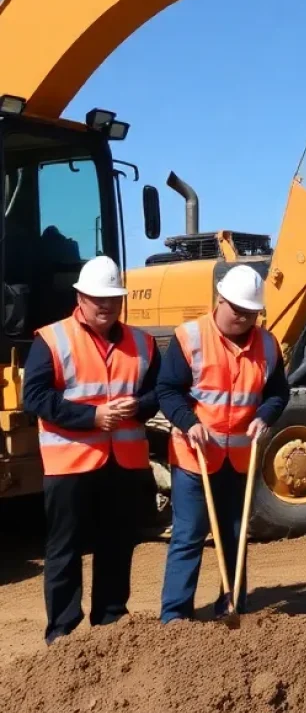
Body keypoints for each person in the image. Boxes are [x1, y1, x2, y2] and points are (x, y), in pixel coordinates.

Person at [22, 256, 159, 645]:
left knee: (117, 544)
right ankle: (63, 634)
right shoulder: (51, 339)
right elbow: (35, 397)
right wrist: (92, 417)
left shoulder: (143, 342)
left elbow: (155, 394)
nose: (106, 306)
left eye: (113, 299)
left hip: (124, 462)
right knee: (65, 549)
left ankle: (111, 623)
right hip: (71, 461)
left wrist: (140, 406)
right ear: (80, 297)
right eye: (98, 298)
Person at [158, 265, 289, 622]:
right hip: (195, 456)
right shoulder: (190, 337)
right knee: (188, 534)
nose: (244, 319)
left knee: (234, 535)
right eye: (237, 311)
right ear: (220, 299)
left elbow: (278, 392)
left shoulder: (267, 344)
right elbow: (167, 390)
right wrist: (188, 422)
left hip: (239, 460)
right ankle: (174, 617)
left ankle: (232, 606)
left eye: (251, 313)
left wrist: (265, 416)